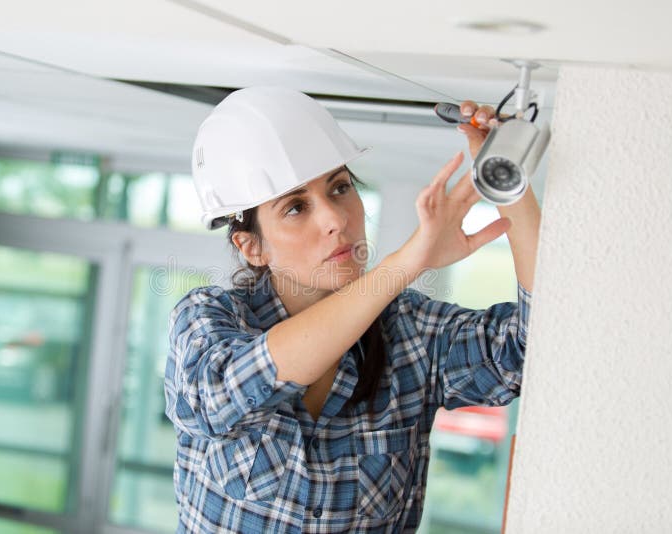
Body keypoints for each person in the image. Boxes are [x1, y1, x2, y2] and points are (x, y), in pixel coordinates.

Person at [164, 86, 539, 533]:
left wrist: (506, 174)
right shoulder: (207, 321)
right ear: (252, 247)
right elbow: (223, 397)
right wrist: (406, 261)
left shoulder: (413, 336)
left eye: (340, 188)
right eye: (296, 207)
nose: (335, 219)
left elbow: (533, 348)